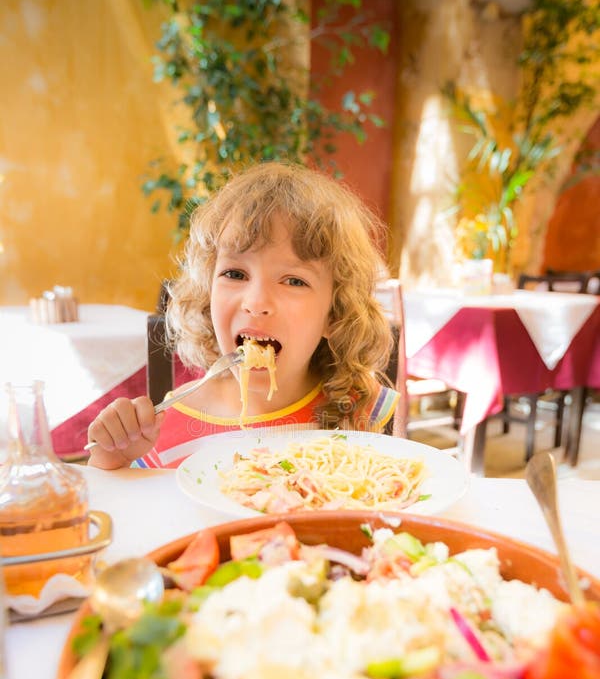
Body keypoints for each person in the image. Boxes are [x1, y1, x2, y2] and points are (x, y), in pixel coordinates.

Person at [87, 162, 400, 470]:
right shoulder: (167, 428)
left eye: (294, 281)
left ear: (334, 315)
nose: (256, 302)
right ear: (207, 295)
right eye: (235, 274)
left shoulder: (358, 406)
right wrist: (111, 463)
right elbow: (123, 501)